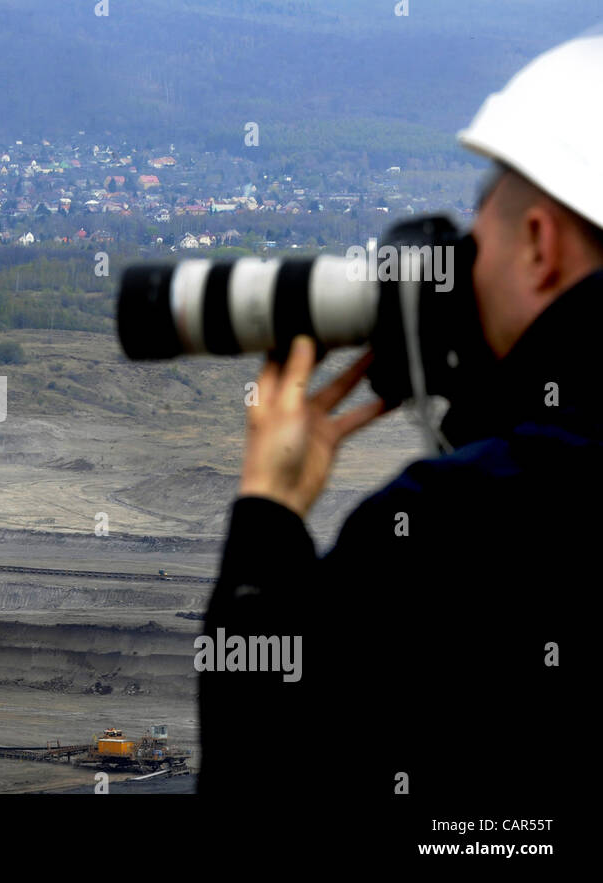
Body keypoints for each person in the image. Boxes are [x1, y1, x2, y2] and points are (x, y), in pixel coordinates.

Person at [199, 31, 603, 806]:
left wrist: (267, 524)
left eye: (477, 228)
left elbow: (258, 781)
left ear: (540, 243)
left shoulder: (454, 526)